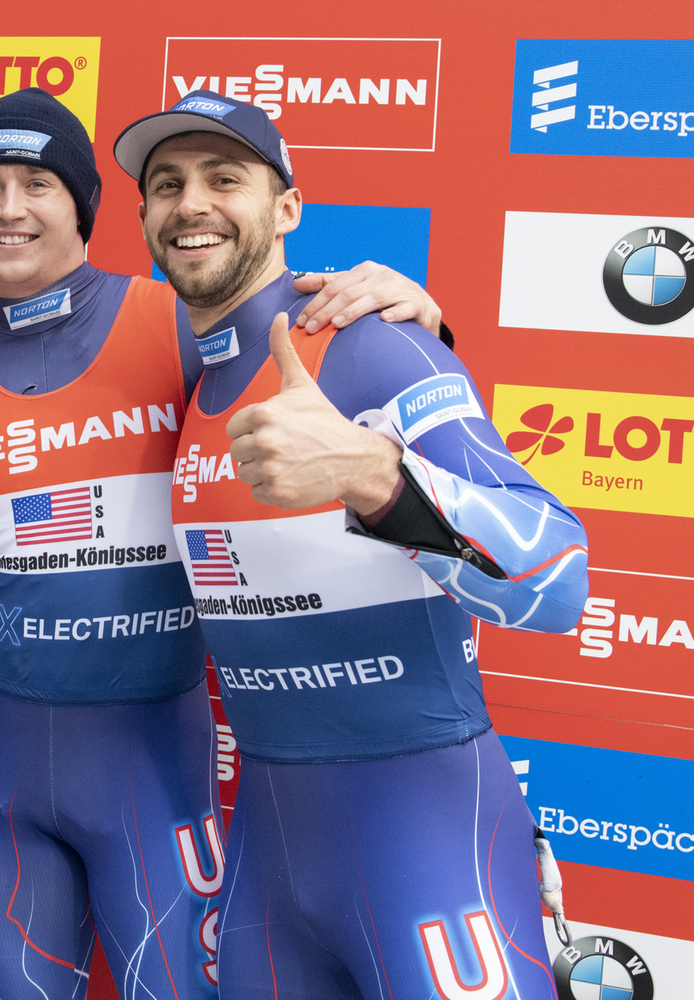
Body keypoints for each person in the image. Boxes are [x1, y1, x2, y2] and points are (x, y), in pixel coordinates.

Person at [0, 89, 444, 999]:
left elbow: (345, 367)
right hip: (4, 790)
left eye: (39, 183)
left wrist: (421, 316)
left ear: (88, 207)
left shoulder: (187, 322)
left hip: (159, 774)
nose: (11, 209)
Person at [116, 91, 588, 998]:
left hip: (425, 833)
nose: (191, 204)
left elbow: (559, 578)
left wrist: (376, 476)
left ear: (288, 207)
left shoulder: (373, 347)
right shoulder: (183, 375)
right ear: (144, 219)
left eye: (226, 178)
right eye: (166, 185)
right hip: (269, 848)